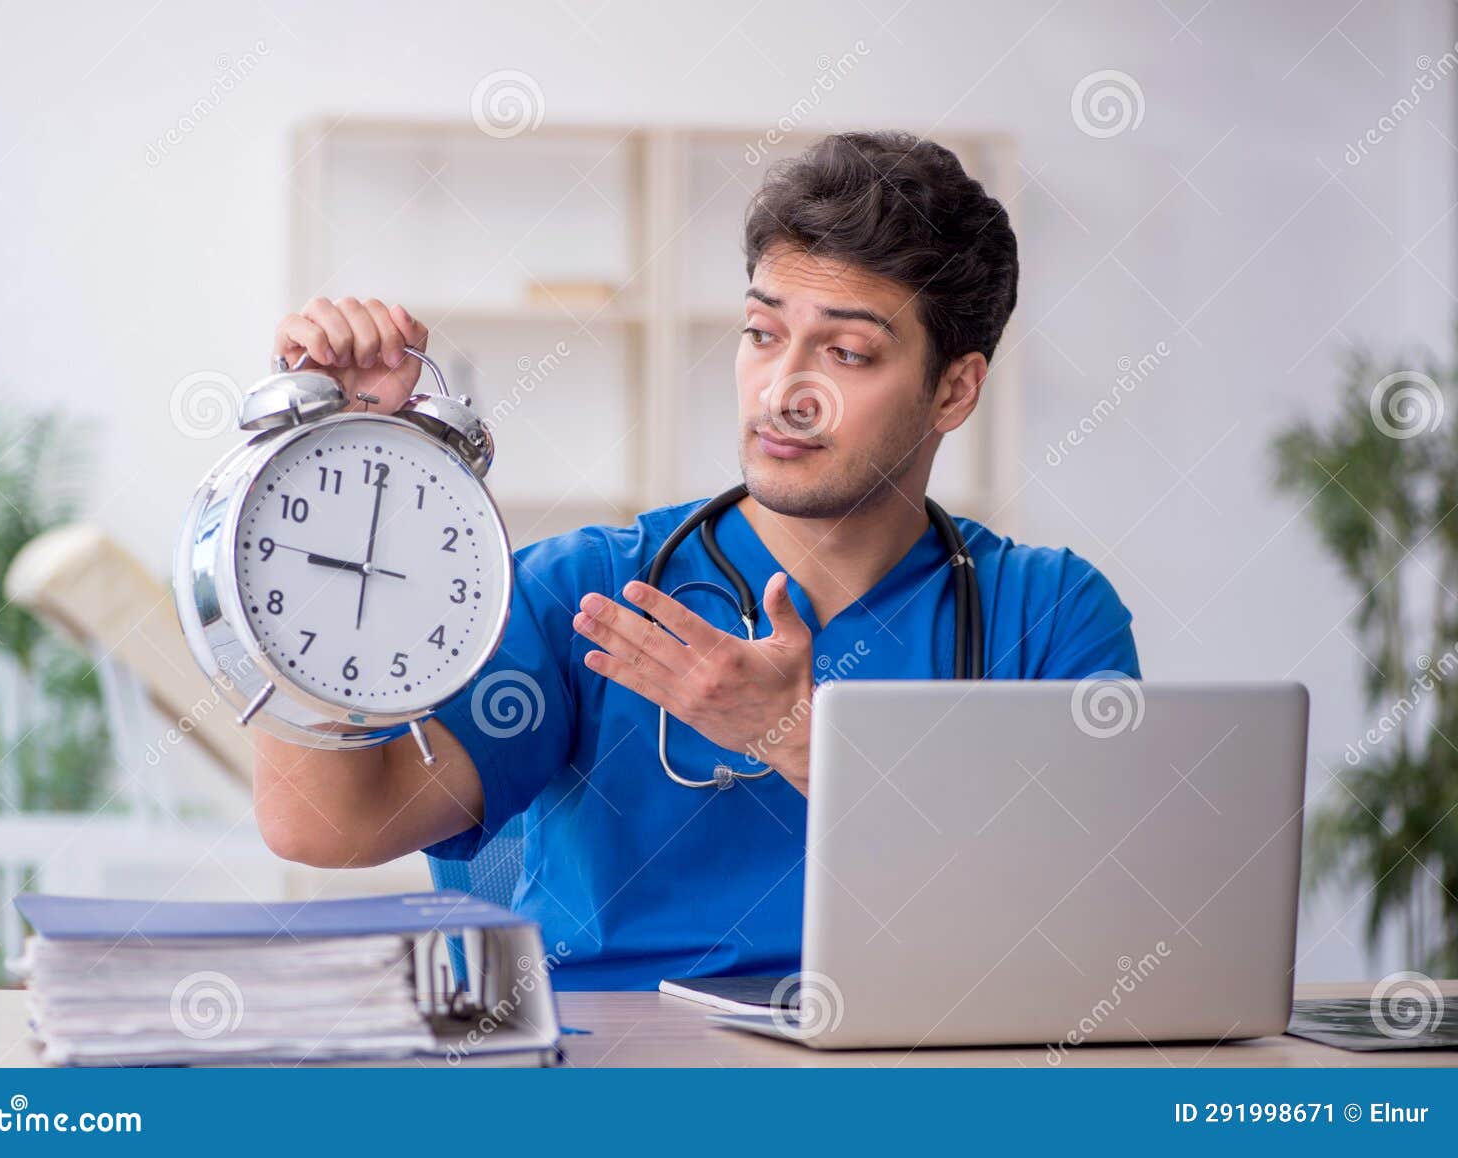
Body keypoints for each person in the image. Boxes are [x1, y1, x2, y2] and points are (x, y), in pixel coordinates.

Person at [252, 130, 1140, 990]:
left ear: (954, 388)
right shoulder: (590, 592)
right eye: (762, 333)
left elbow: (1092, 926)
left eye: (846, 352)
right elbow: (324, 824)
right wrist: (330, 479)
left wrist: (799, 742)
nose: (784, 389)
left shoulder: (1048, 614)